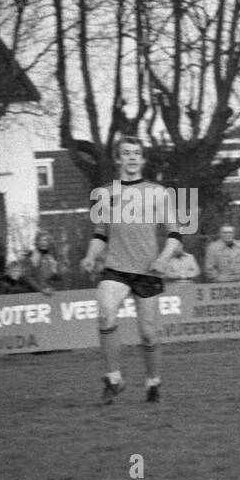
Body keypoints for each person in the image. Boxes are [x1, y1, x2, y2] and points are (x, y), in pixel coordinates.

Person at [78, 135, 183, 404]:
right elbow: (100, 234)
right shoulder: (104, 193)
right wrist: (91, 256)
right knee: (105, 314)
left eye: (137, 153)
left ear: (143, 159)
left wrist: (163, 259)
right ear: (118, 158)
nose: (132, 157)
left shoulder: (159, 193)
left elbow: (174, 234)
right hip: (115, 267)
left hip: (149, 269)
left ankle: (153, 383)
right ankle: (113, 379)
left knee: (148, 333)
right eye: (126, 153)